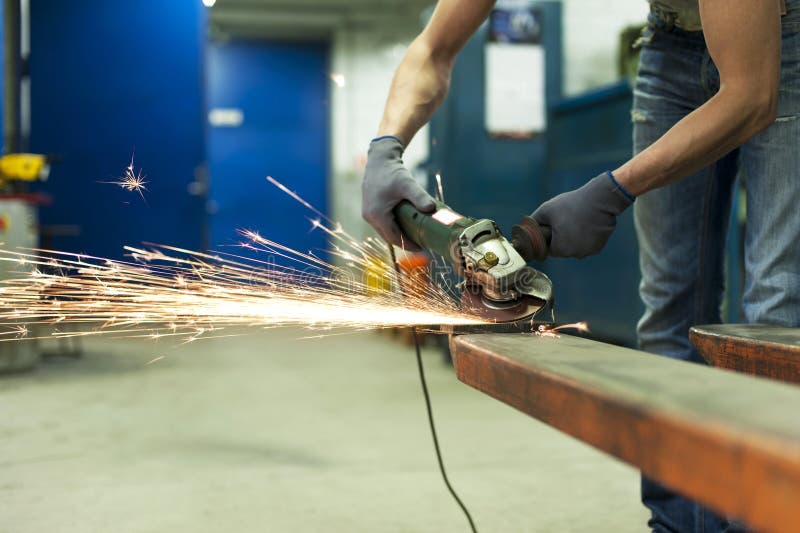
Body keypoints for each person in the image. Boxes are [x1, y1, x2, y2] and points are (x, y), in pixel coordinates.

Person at [362, 0, 799, 531]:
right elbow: (433, 48)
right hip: (669, 46)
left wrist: (613, 192)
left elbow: (752, 96)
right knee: (668, 315)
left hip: (781, 42)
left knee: (773, 313)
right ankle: (677, 525)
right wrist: (387, 145)